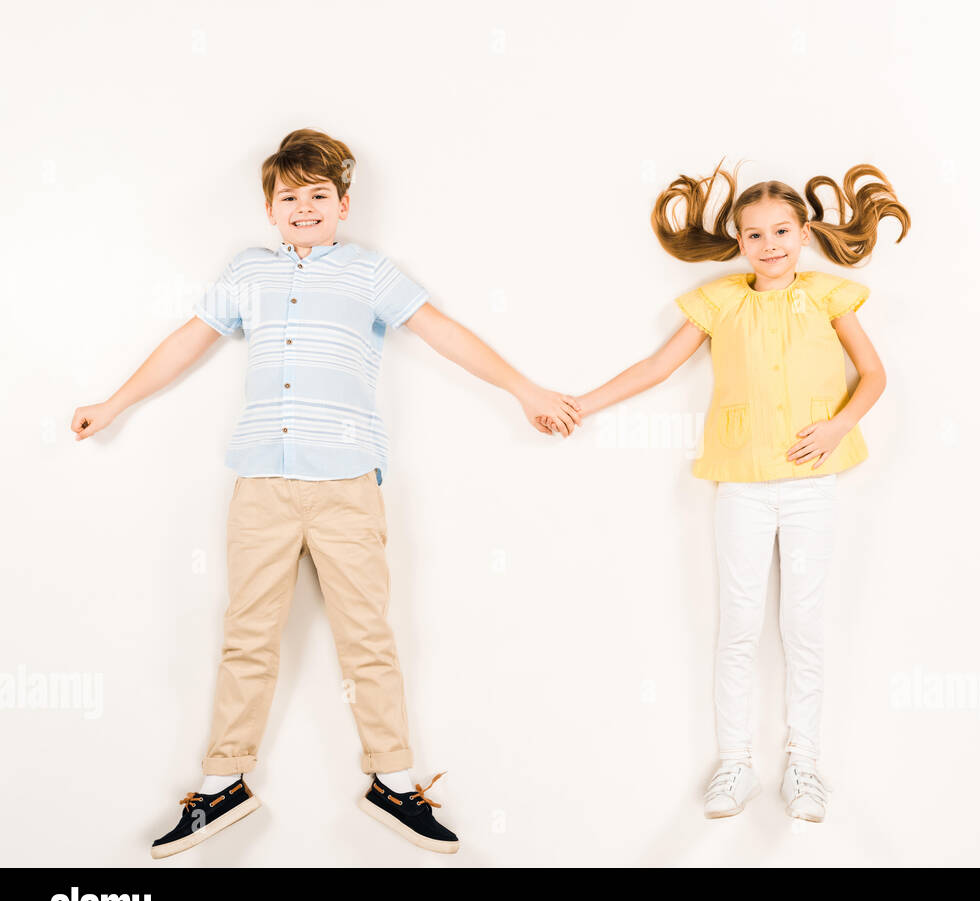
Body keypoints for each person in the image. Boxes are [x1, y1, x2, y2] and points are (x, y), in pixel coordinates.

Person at [70, 128, 582, 858]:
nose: (303, 207)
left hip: (345, 484)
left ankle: (393, 779)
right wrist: (114, 403)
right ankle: (223, 780)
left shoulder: (370, 273)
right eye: (289, 197)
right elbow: (187, 340)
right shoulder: (248, 271)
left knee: (368, 636)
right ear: (271, 209)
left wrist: (524, 390)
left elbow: (446, 334)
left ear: (344, 204)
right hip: (262, 483)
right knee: (246, 635)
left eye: (318, 195)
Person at [573, 159, 908, 821]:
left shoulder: (828, 295)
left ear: (803, 232)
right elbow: (654, 368)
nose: (771, 243)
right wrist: (582, 403)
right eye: (755, 234)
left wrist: (839, 425)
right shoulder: (720, 301)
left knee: (803, 626)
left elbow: (873, 374)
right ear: (739, 240)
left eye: (782, 230)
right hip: (742, 488)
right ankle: (735, 764)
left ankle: (804, 765)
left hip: (812, 485)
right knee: (738, 626)